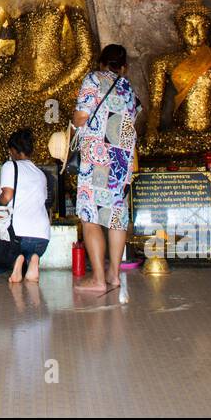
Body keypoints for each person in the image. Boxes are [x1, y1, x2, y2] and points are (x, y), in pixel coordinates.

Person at [71, 44, 139, 293]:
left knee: (91, 218)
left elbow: (81, 116)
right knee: (116, 217)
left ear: (101, 63)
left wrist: (75, 121)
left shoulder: (93, 79)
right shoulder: (128, 88)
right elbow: (132, 120)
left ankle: (98, 278)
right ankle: (114, 275)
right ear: (124, 67)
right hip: (121, 161)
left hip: (98, 157)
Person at [0, 128, 51, 284]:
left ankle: (16, 261)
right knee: (32, 252)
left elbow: (7, 196)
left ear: (13, 150)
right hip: (42, 237)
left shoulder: (10, 166)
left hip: (19, 236)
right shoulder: (40, 173)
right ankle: (34, 258)